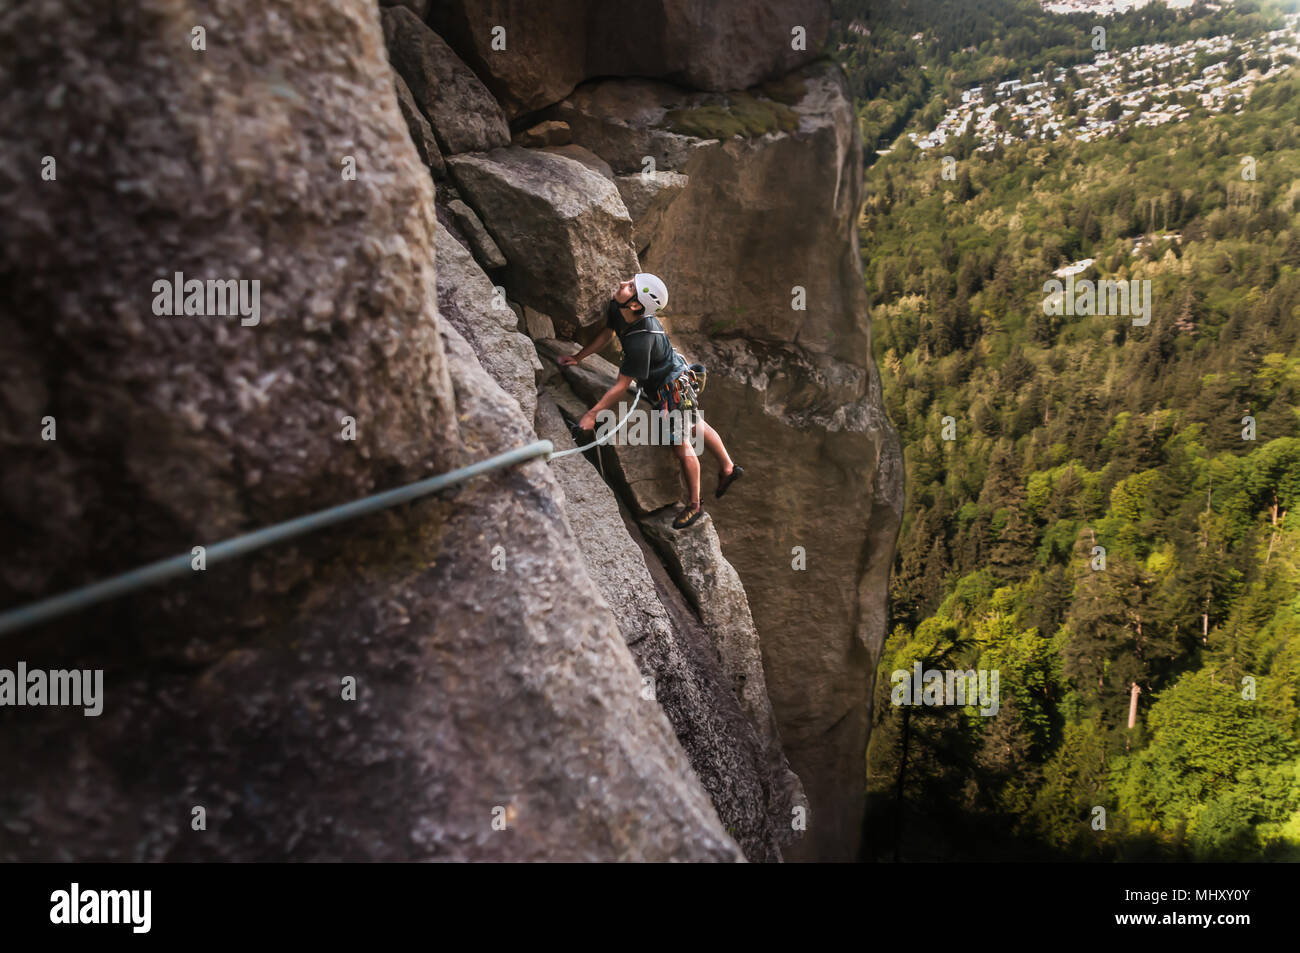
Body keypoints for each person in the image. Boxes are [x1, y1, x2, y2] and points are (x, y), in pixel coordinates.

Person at [558, 274, 744, 529]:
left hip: (672, 388)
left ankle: (695, 505)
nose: (623, 284)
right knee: (694, 423)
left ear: (636, 305)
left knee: (681, 445)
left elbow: (622, 386)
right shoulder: (620, 307)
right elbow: (609, 331)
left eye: (630, 286)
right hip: (670, 375)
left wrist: (592, 414)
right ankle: (728, 468)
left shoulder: (640, 339)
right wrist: (579, 357)